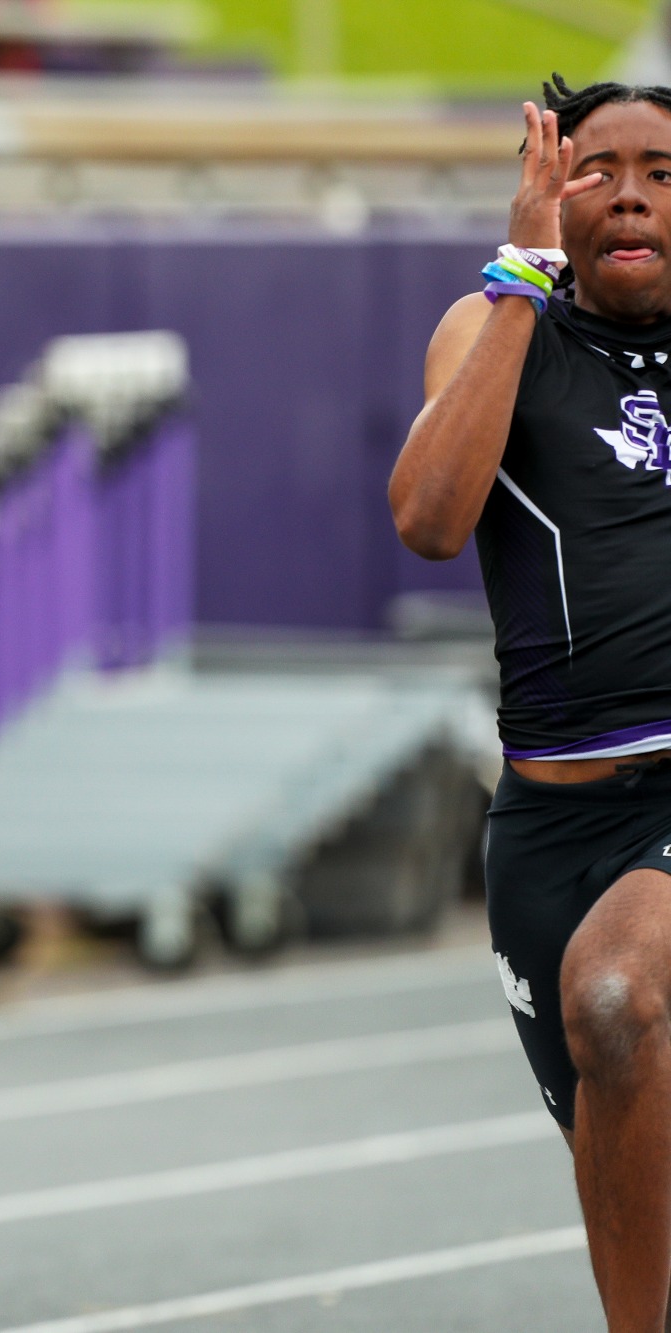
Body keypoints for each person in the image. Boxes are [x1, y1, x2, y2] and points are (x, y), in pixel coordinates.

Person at [392, 75, 671, 1333]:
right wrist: (518, 278)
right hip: (548, 827)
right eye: (594, 166)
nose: (627, 194)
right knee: (625, 1150)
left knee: (618, 995)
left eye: (661, 172)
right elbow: (428, 520)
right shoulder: (493, 323)